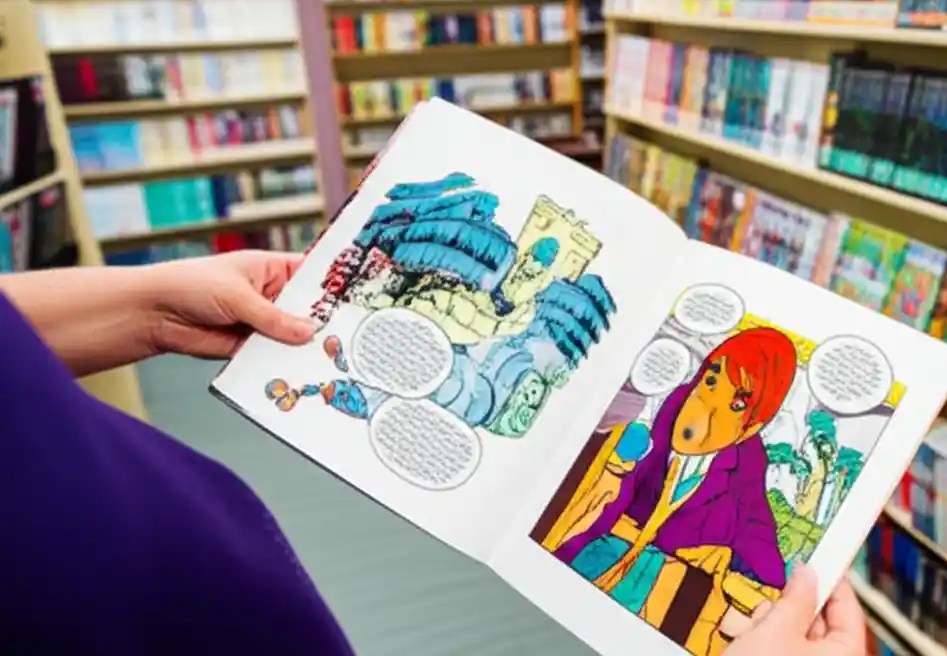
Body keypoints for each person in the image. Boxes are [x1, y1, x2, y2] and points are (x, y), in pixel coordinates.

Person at [0, 251, 867, 655]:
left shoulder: (742, 477)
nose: (706, 405)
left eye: (732, 403)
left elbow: (752, 551)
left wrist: (146, 305)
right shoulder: (640, 430)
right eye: (709, 380)